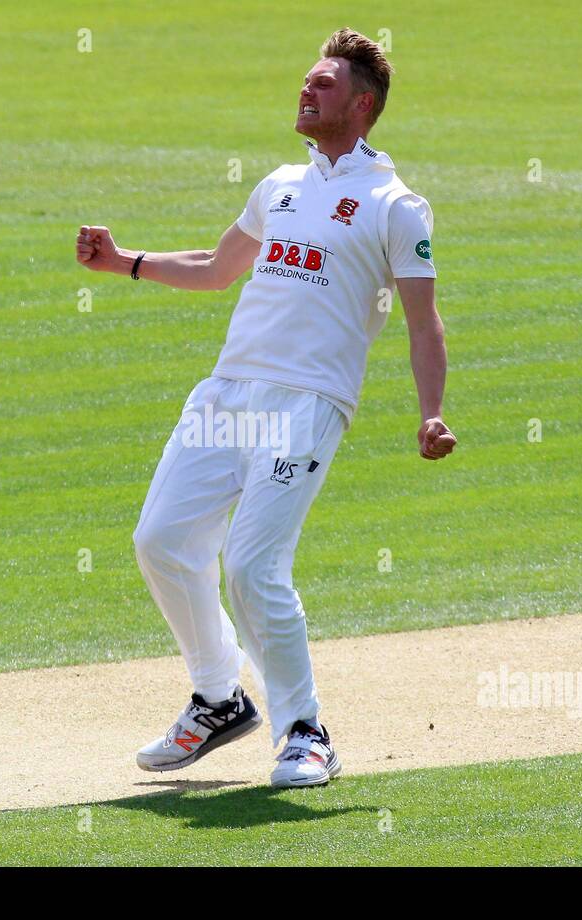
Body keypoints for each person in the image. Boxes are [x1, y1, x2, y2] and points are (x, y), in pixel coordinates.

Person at [75, 28, 456, 788]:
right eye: (306, 81)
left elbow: (423, 322)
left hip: (308, 400)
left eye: (322, 83)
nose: (305, 91)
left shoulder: (395, 205)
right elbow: (219, 270)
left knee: (251, 565)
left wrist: (431, 411)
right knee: (161, 541)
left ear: (362, 102)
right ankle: (218, 699)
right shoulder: (278, 185)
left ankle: (305, 732)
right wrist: (126, 263)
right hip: (227, 391)